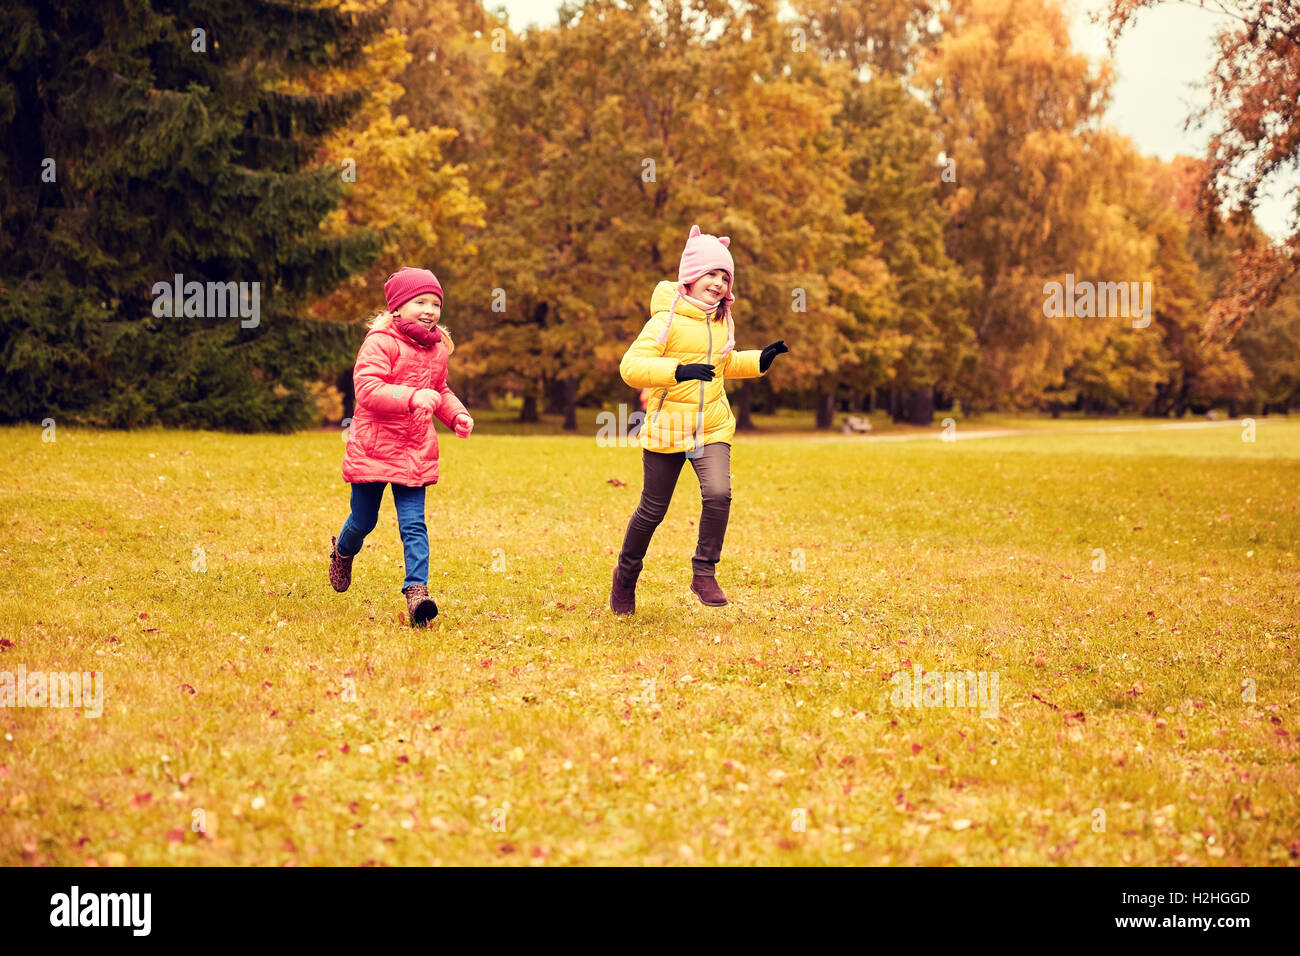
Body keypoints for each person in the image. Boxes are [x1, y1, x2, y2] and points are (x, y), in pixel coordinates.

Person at [612, 225, 789, 613]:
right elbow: (631, 367)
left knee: (719, 494)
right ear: (691, 278)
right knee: (652, 510)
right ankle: (625, 576)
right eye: (712, 274)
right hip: (668, 428)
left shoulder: (721, 321)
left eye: (725, 277)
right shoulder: (665, 321)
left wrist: (761, 359)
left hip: (711, 426)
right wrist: (678, 371)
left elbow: (725, 364)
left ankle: (703, 572)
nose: (719, 282)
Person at [328, 267, 474, 626]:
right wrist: (410, 397)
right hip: (374, 447)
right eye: (420, 301)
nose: (429, 310)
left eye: (435, 303)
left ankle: (417, 594)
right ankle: (342, 552)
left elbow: (438, 391)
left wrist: (456, 415)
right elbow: (367, 390)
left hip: (414, 449)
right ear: (397, 307)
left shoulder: (437, 347)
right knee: (364, 520)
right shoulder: (380, 341)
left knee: (414, 525)